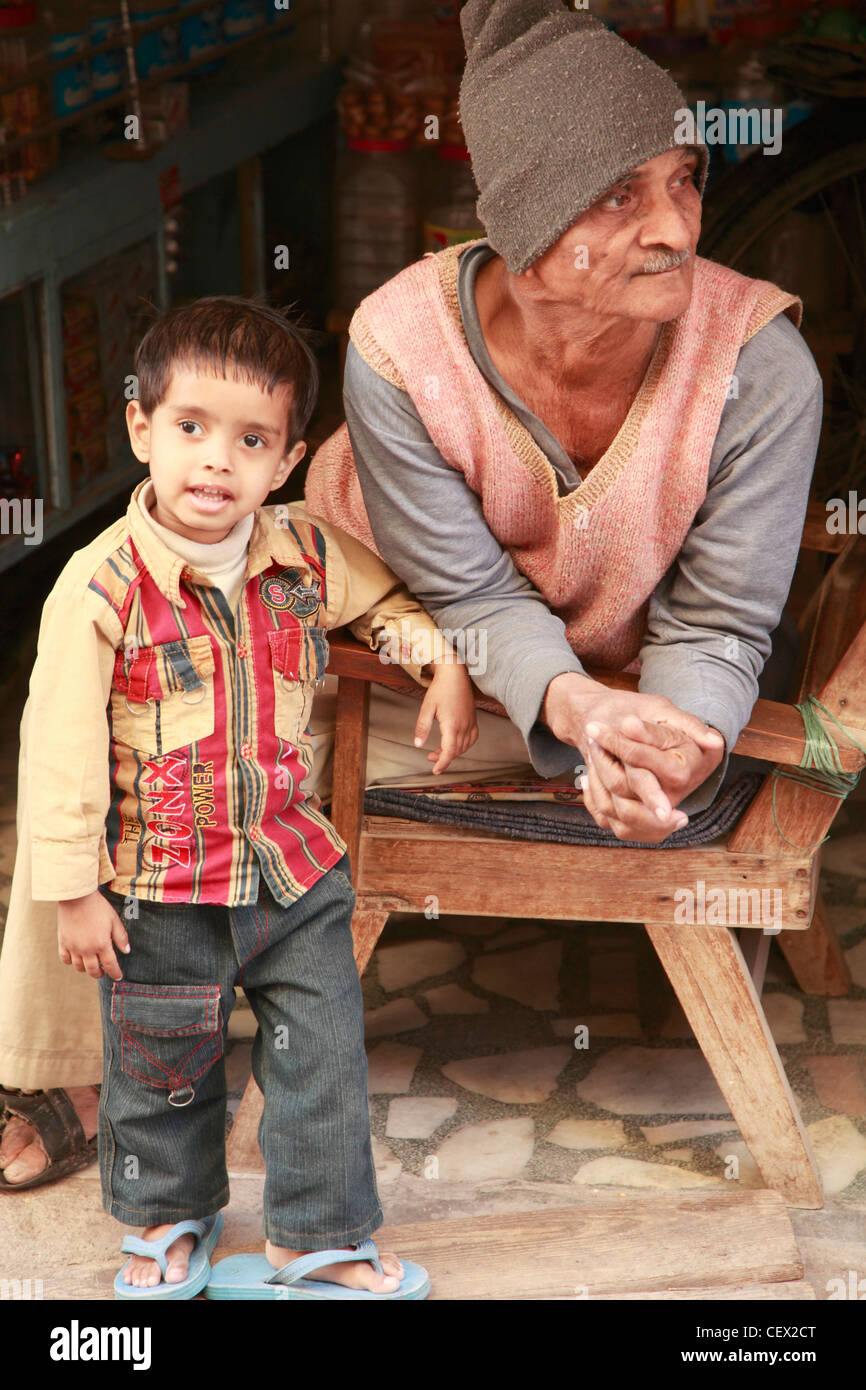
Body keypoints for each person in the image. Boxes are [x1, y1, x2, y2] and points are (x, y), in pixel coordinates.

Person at [2, 296, 477, 1298]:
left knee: (324, 1059)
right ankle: (168, 1224)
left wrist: (438, 659)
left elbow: (388, 599)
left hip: (291, 874)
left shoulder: (304, 555)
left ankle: (320, 1238)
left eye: (249, 439)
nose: (216, 460)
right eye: (189, 428)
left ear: (287, 459)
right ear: (141, 428)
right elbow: (57, 751)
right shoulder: (101, 588)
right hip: (157, 888)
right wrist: (74, 888)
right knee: (161, 1072)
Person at [303, 0, 821, 840]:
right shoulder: (401, 352)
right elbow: (469, 594)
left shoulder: (756, 368)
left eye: (684, 178)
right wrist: (574, 705)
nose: (675, 229)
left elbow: (718, 621)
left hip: (624, 673)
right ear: (525, 230)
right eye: (621, 195)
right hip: (416, 650)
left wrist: (679, 750)